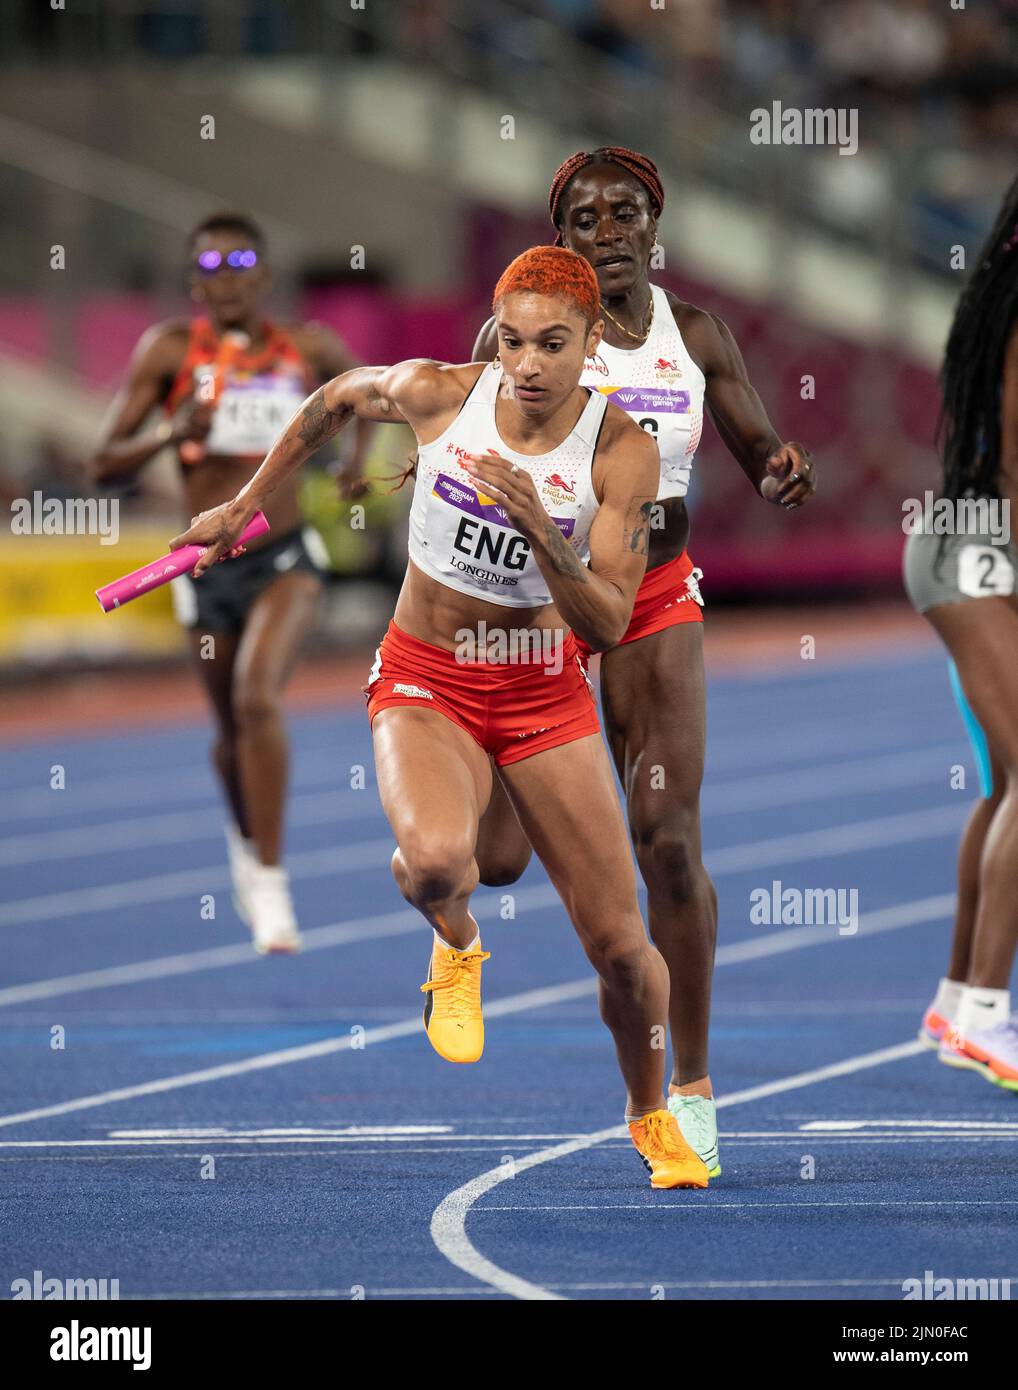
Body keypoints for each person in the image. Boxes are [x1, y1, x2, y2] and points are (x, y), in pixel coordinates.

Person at [170, 245, 712, 1189]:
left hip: (543, 688)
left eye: (554, 344)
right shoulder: (438, 394)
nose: (531, 363)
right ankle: (456, 948)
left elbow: (612, 619)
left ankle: (649, 1110)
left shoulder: (622, 452)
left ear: (592, 348)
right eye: (515, 342)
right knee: (436, 865)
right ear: (495, 340)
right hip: (429, 678)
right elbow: (335, 398)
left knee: (626, 954)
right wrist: (244, 507)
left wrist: (544, 532)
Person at [468, 148, 817, 1174]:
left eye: (626, 213)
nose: (608, 229)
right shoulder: (520, 336)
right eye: (586, 217)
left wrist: (781, 469)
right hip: (542, 604)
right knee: (495, 863)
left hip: (655, 595)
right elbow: (465, 441)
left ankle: (696, 1086)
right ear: (559, 238)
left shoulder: (693, 334)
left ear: (655, 228)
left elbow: (759, 448)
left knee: (664, 837)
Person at [91, 211, 372, 954]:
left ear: (265, 276)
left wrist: (353, 465)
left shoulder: (306, 347)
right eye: (209, 266)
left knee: (256, 697)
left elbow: (365, 392)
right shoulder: (170, 350)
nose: (227, 276)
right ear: (193, 284)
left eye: (240, 261)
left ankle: (273, 886)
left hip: (282, 555)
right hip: (201, 566)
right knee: (227, 730)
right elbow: (101, 463)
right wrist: (168, 433)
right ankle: (246, 846)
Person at [904, 175, 1018, 1090]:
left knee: (1006, 780)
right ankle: (986, 1013)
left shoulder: (1001, 310)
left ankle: (955, 1002)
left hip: (972, 546)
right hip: (980, 552)